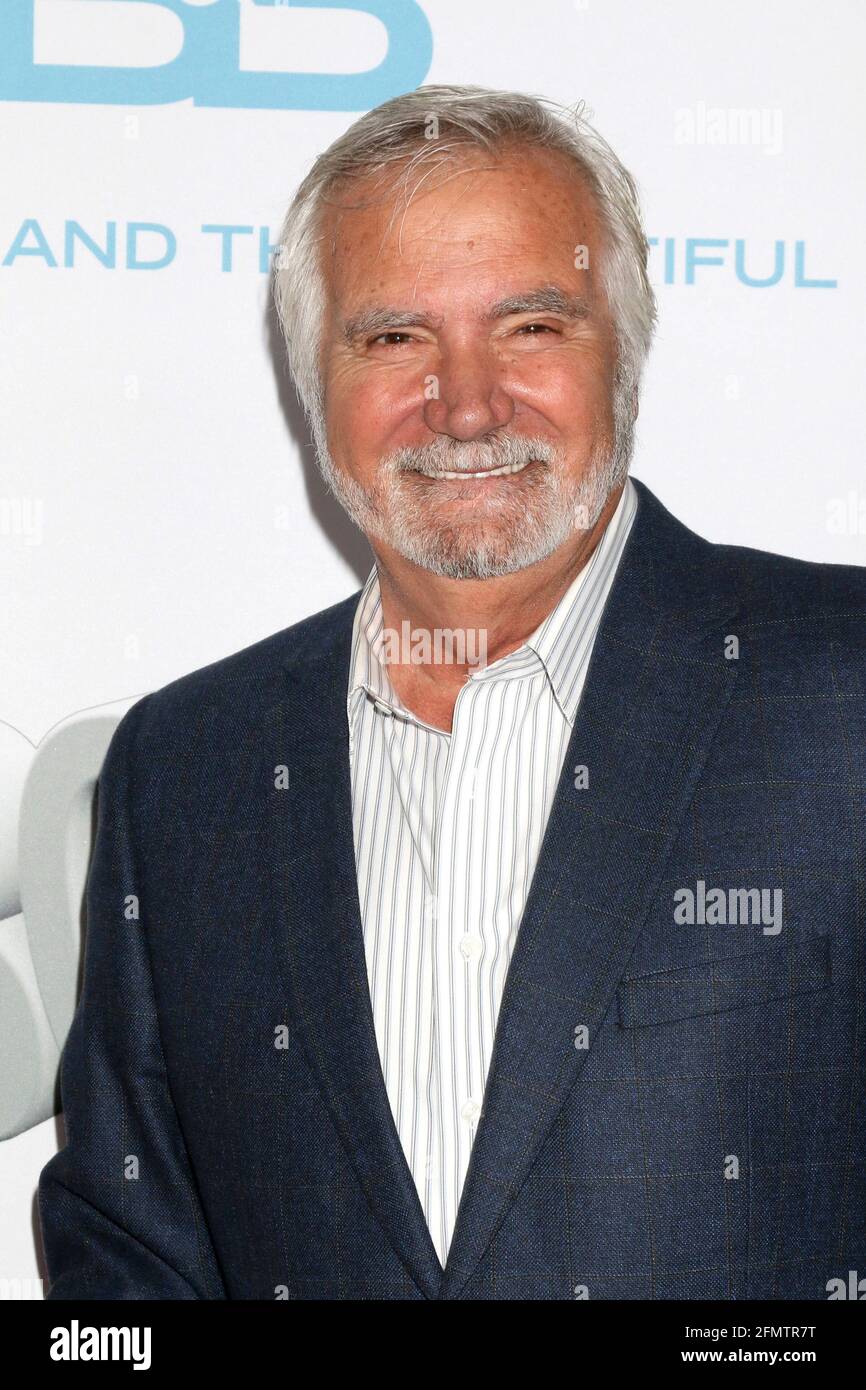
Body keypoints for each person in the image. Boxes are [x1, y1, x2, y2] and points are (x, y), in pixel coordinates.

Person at [39, 84, 866, 1300]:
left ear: (625, 350)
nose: (466, 405)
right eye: (392, 337)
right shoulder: (186, 766)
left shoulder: (839, 691)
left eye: (530, 326)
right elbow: (128, 1249)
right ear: (308, 377)